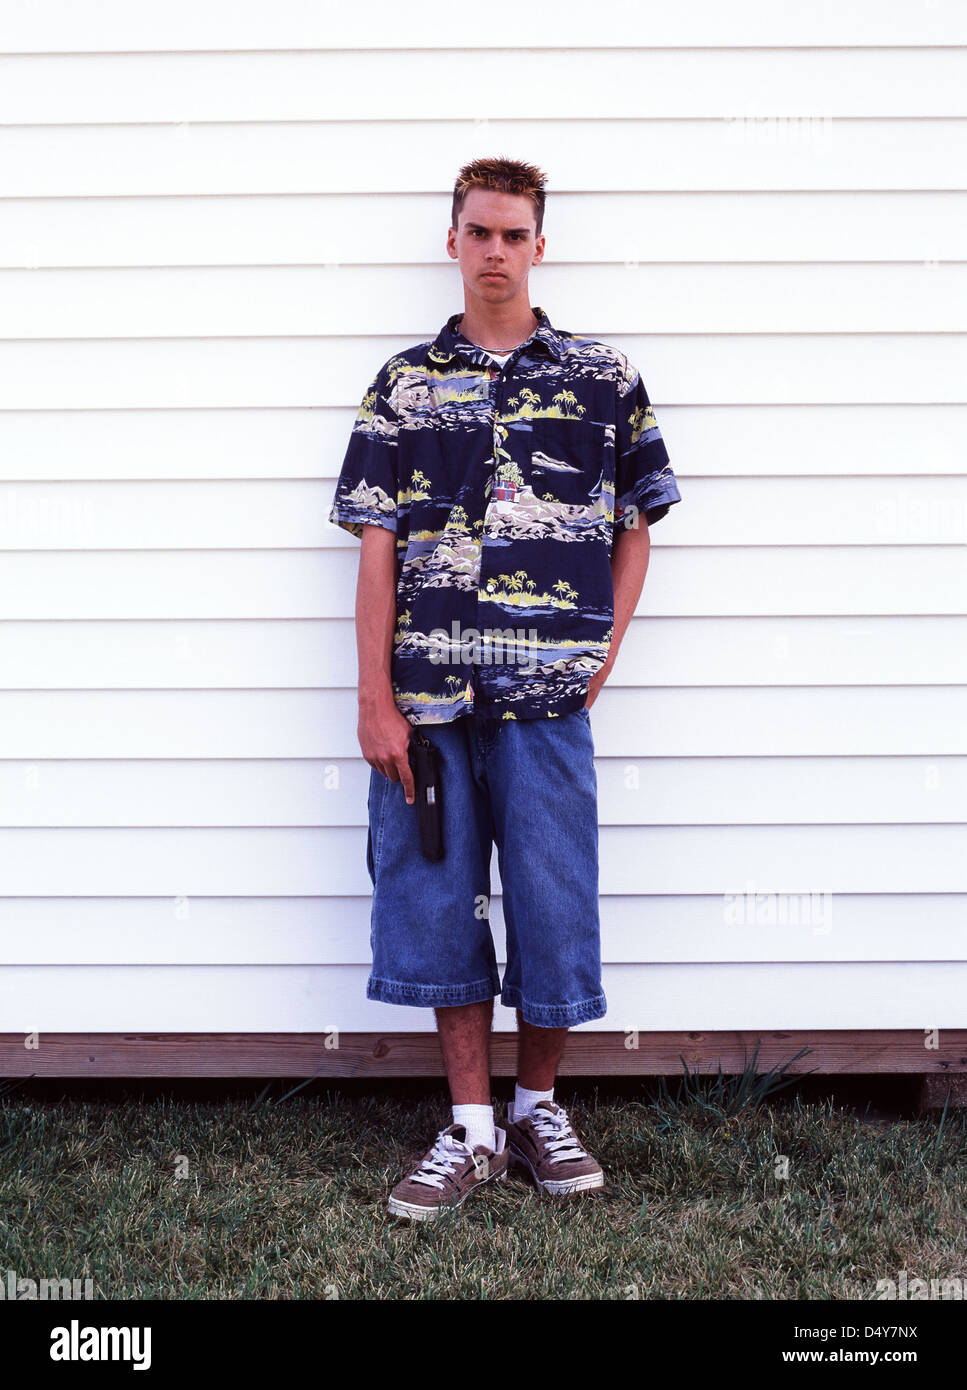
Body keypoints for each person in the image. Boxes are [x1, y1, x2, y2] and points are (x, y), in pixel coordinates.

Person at [329, 156, 682, 1221]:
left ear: (539, 245)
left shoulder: (600, 377)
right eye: (477, 232)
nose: (494, 251)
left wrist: (599, 656)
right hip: (427, 706)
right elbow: (375, 548)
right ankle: (471, 1128)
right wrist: (372, 698)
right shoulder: (403, 383)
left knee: (552, 903)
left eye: (512, 234)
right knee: (433, 904)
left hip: (545, 702)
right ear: (453, 242)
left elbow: (637, 528)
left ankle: (537, 1107)